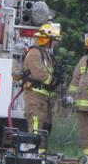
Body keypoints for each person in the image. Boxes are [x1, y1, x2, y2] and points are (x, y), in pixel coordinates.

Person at [22, 22, 61, 154]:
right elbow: (39, 73)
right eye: (53, 41)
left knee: (45, 126)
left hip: (44, 97)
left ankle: (41, 154)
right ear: (47, 40)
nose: (54, 44)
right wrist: (53, 81)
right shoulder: (34, 53)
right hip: (34, 96)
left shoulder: (46, 55)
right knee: (35, 124)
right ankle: (33, 153)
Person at [66, 33, 88, 160]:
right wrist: (70, 95)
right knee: (85, 134)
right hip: (81, 104)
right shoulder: (83, 61)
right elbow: (75, 79)